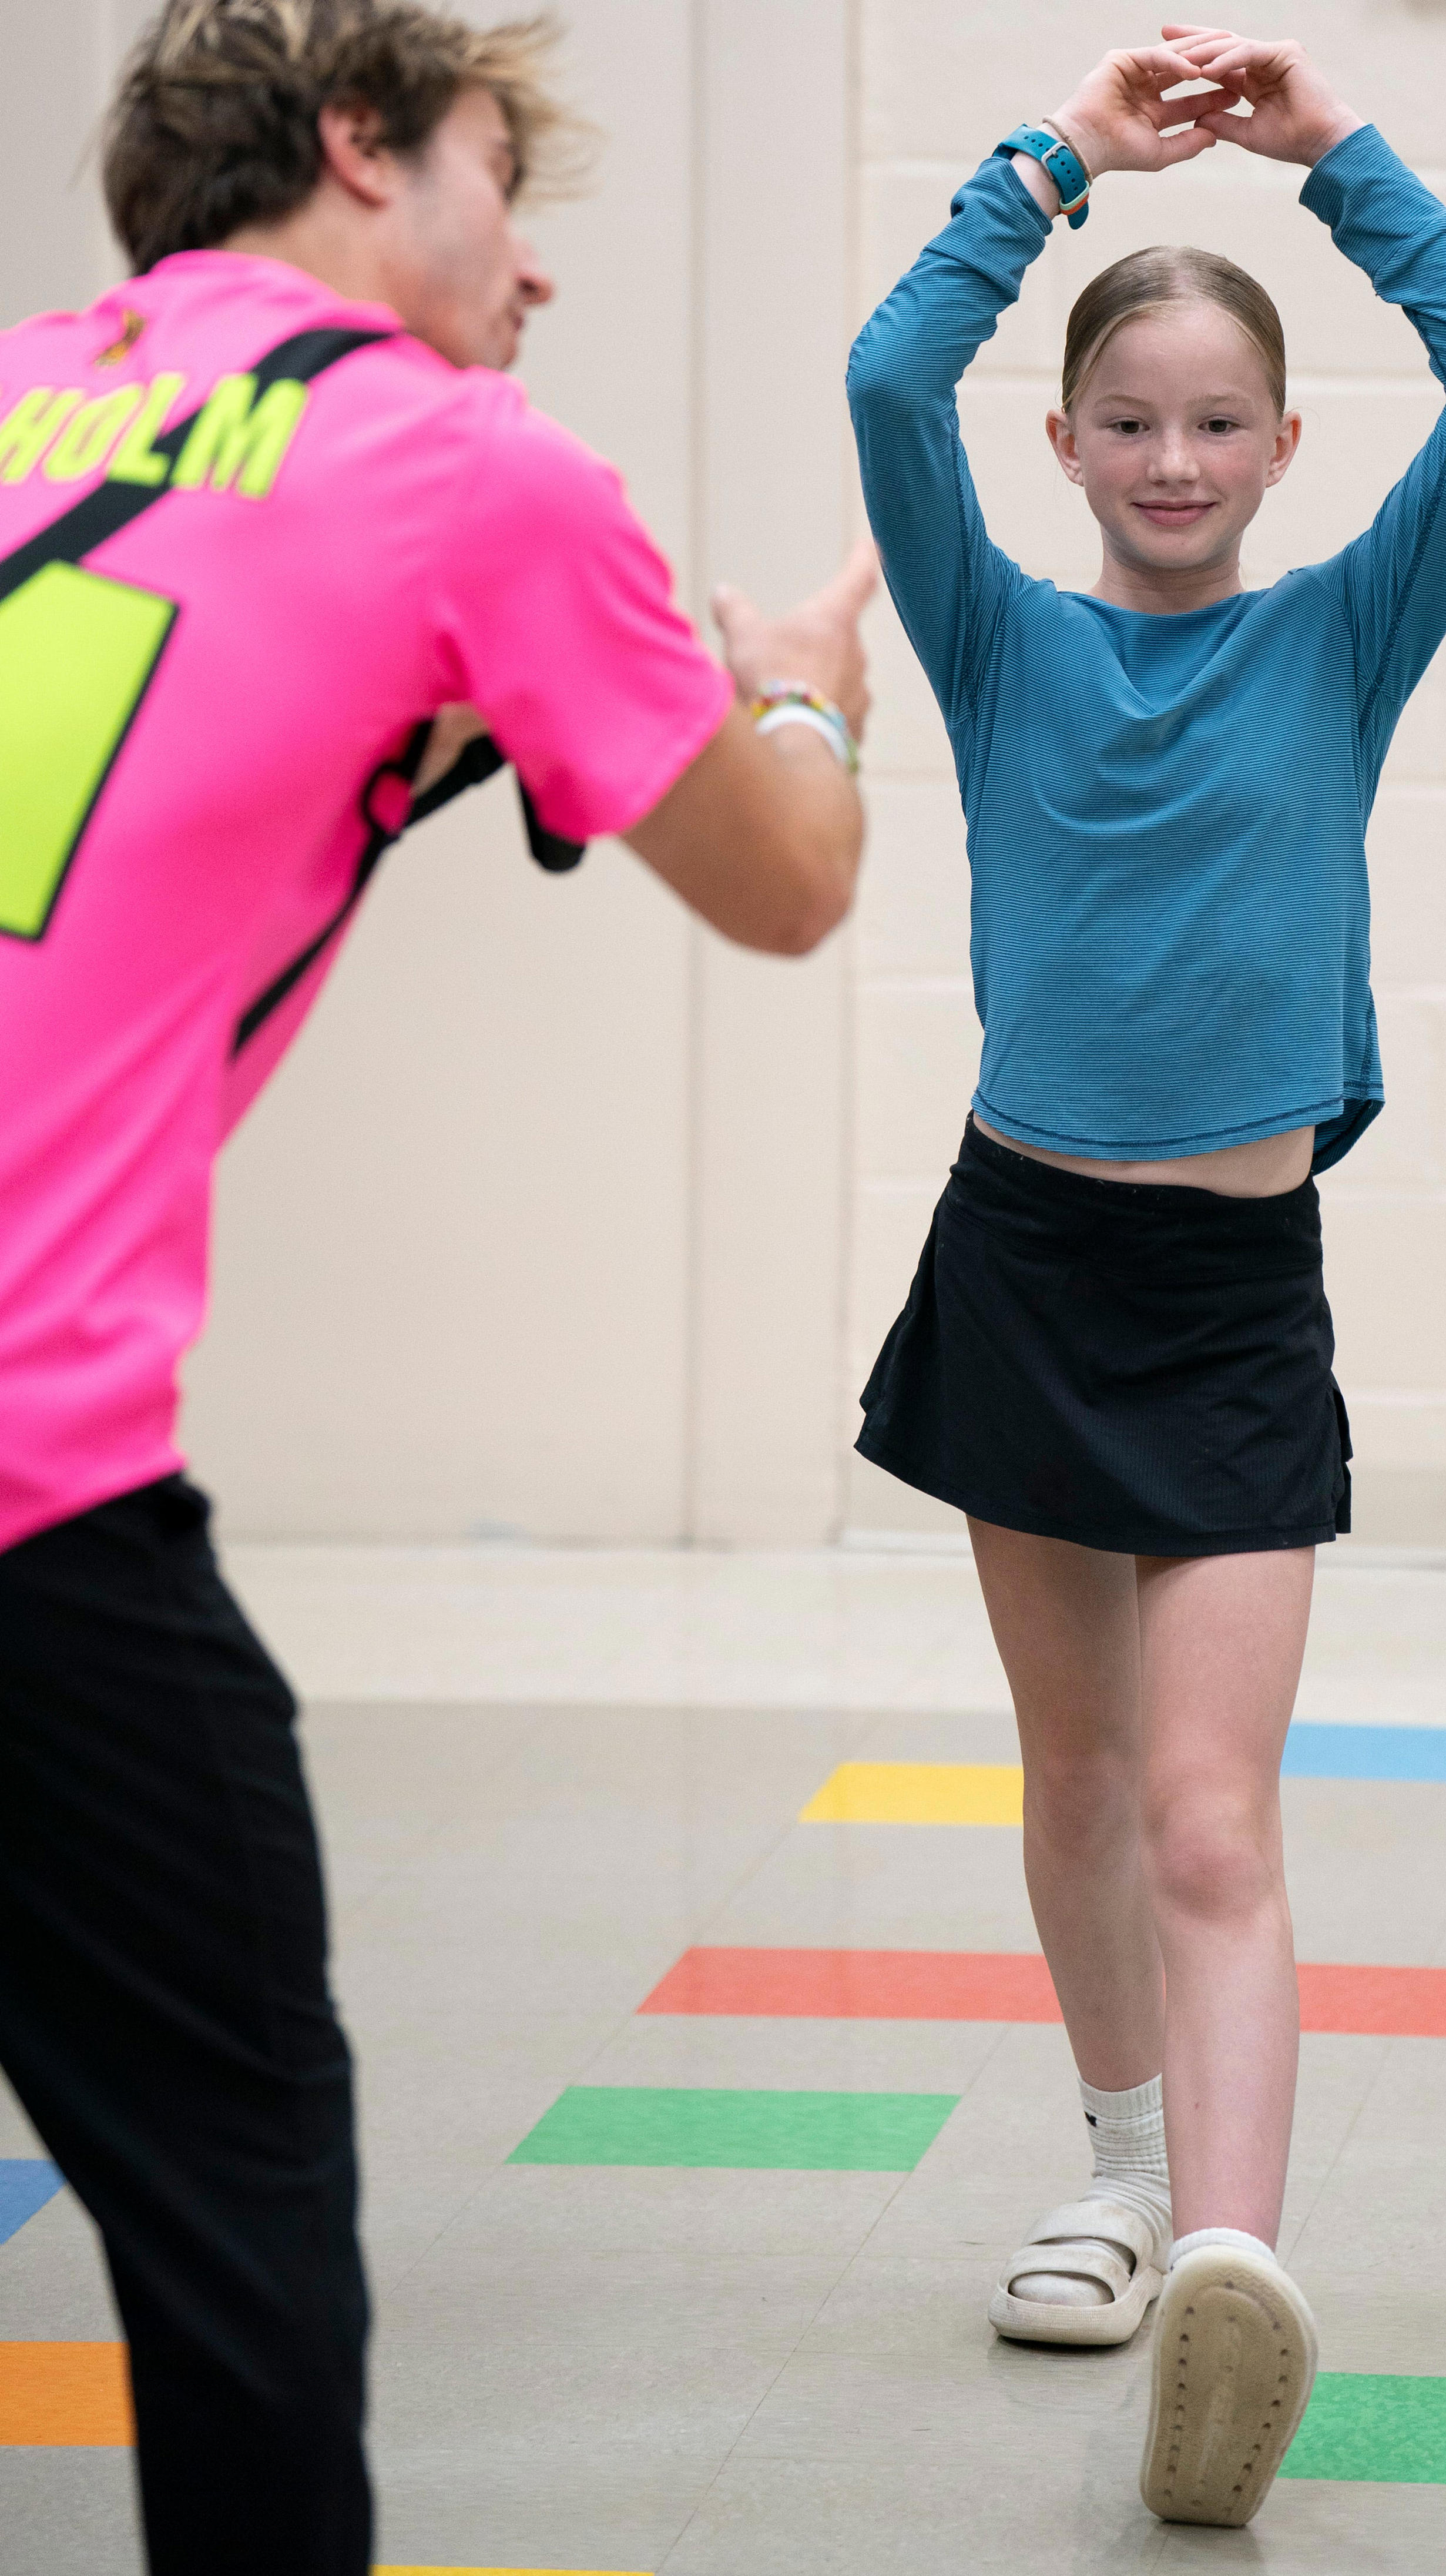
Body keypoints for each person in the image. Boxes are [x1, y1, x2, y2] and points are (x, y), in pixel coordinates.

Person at [0, 4, 874, 2570]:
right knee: (234, 2190)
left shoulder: (33, 396)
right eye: (511, 171)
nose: (545, 266)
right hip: (31, 1489)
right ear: (363, 149)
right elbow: (789, 879)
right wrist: (794, 683)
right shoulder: (465, 466)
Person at [847, 19, 1446, 2529]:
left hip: (1239, 1303)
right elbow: (881, 365)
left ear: (1277, 451)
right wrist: (1059, 162)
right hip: (1023, 1264)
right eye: (1124, 421)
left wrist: (1333, 153)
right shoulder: (991, 627)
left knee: (1209, 1812)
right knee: (1068, 1780)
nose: (1167, 460)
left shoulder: (1340, 635)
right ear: (1066, 452)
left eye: (1214, 422)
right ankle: (1124, 2172)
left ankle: (1233, 2270)